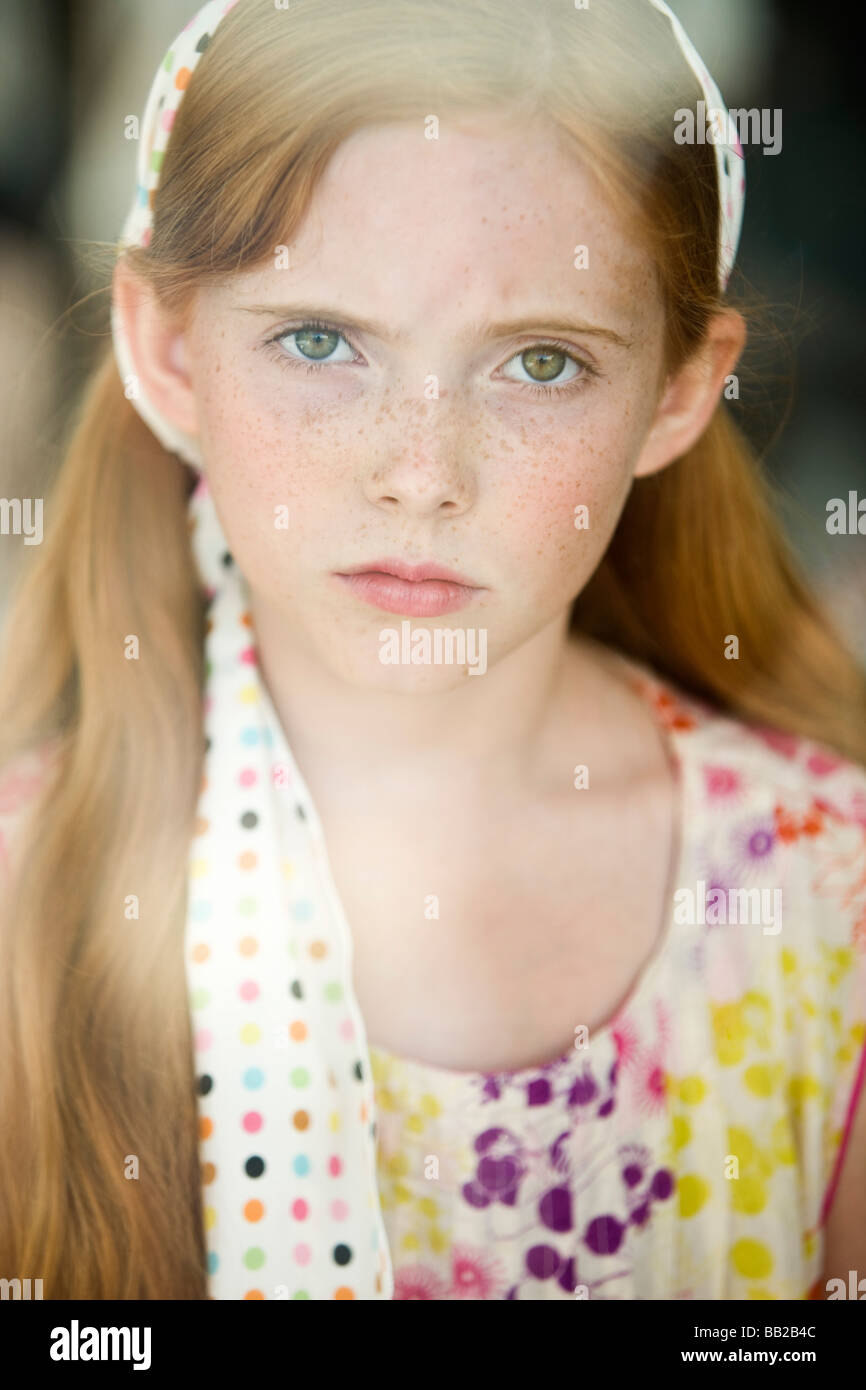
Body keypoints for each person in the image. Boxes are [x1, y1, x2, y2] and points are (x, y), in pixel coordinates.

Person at [0, 0, 863, 1301]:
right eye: (317, 341)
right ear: (168, 351)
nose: (420, 475)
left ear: (679, 391)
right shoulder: (24, 896)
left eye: (538, 361)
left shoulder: (827, 899)